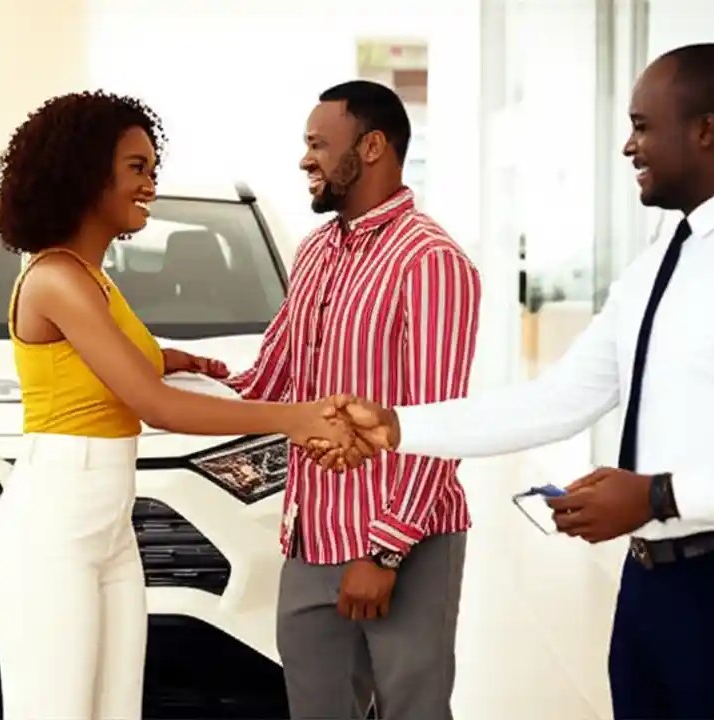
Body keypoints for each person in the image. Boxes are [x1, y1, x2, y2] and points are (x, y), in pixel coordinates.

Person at [316, 44, 714, 719]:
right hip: (651, 584)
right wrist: (401, 426)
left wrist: (658, 494)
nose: (628, 145)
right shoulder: (657, 265)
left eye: (644, 126)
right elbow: (559, 399)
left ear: (707, 128)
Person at [0, 90, 354, 720]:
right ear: (84, 172)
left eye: (152, 168)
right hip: (52, 535)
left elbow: (121, 362)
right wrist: (295, 416)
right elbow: (156, 407)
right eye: (137, 168)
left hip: (107, 532)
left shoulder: (92, 278)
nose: (151, 183)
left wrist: (177, 358)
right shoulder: (56, 279)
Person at [225, 79, 482, 720]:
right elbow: (268, 378)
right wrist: (164, 370)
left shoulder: (431, 261)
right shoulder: (314, 252)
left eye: (318, 144)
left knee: (410, 710)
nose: (305, 159)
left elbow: (437, 420)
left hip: (401, 541)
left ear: (371, 147)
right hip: (310, 537)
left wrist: (386, 550)